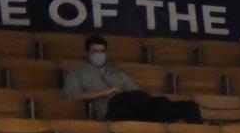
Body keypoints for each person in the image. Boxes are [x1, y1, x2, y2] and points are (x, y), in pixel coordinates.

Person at [64, 34, 202, 123]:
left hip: (134, 109)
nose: (99, 54)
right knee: (151, 102)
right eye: (95, 51)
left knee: (189, 106)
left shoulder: (117, 72)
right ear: (87, 53)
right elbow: (70, 96)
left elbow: (136, 94)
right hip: (110, 110)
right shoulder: (77, 71)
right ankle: (162, 113)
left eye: (102, 51)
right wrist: (102, 93)